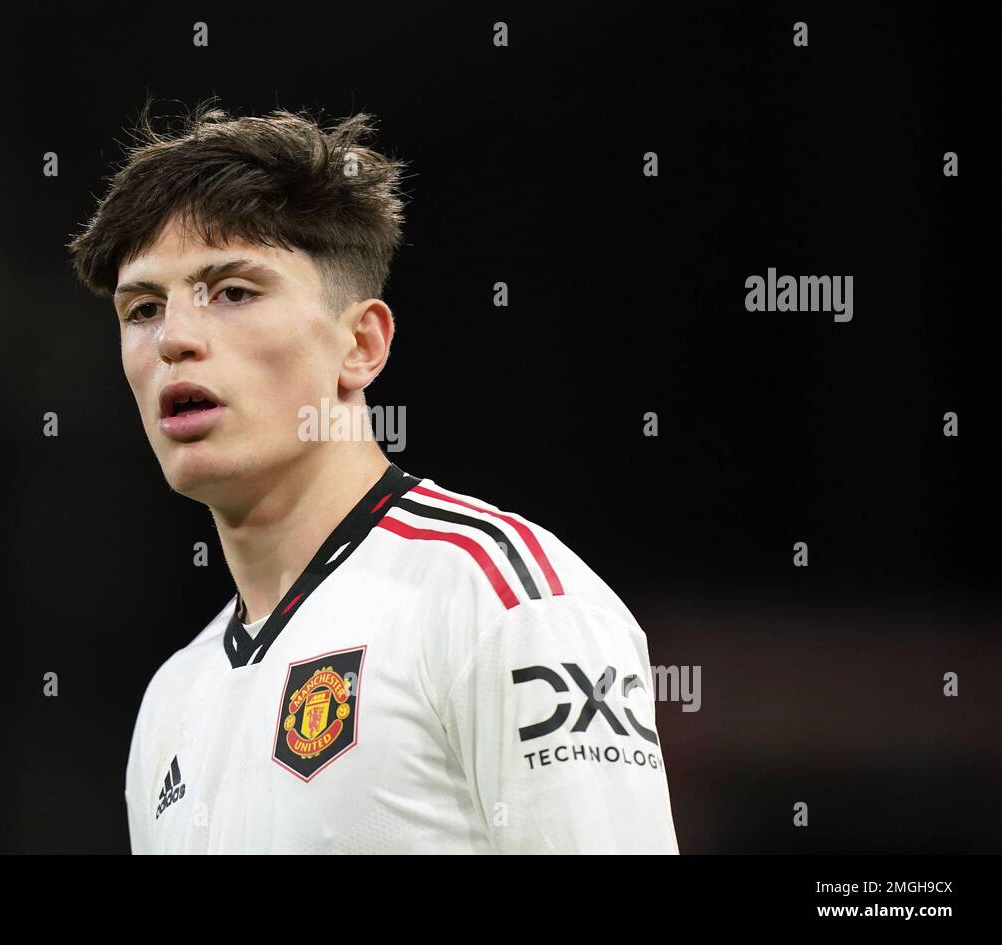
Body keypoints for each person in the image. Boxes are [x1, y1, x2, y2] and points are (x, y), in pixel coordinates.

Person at [68, 99, 680, 853]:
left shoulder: (506, 604)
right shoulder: (172, 698)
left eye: (232, 292)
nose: (175, 340)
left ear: (360, 343)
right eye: (144, 308)